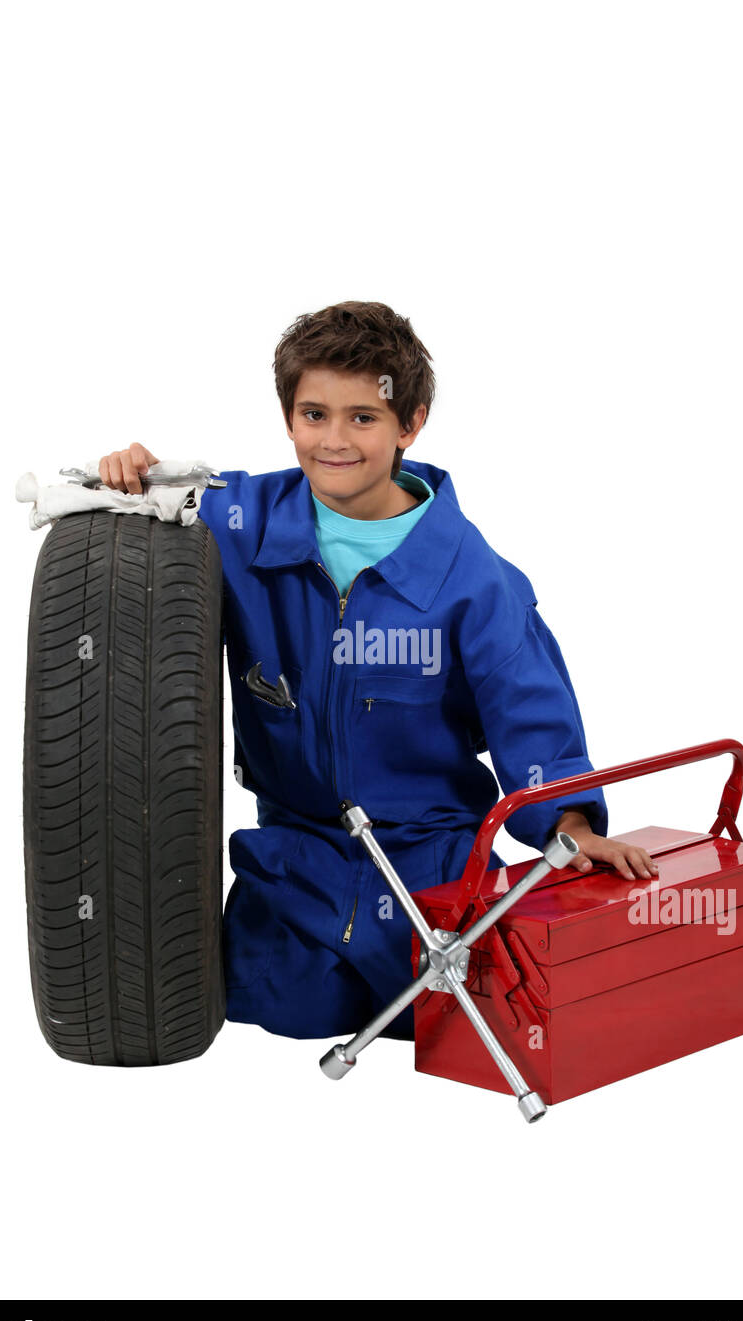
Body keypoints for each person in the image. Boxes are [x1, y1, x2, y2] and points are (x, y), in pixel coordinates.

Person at [97, 300, 658, 1041]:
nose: (334, 440)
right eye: (314, 414)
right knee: (283, 1009)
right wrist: (129, 477)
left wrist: (572, 826)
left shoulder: (474, 580)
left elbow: (534, 719)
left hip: (433, 860)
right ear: (288, 418)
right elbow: (141, 522)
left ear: (410, 423)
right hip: (295, 856)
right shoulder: (235, 524)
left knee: (453, 1024)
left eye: (363, 417)